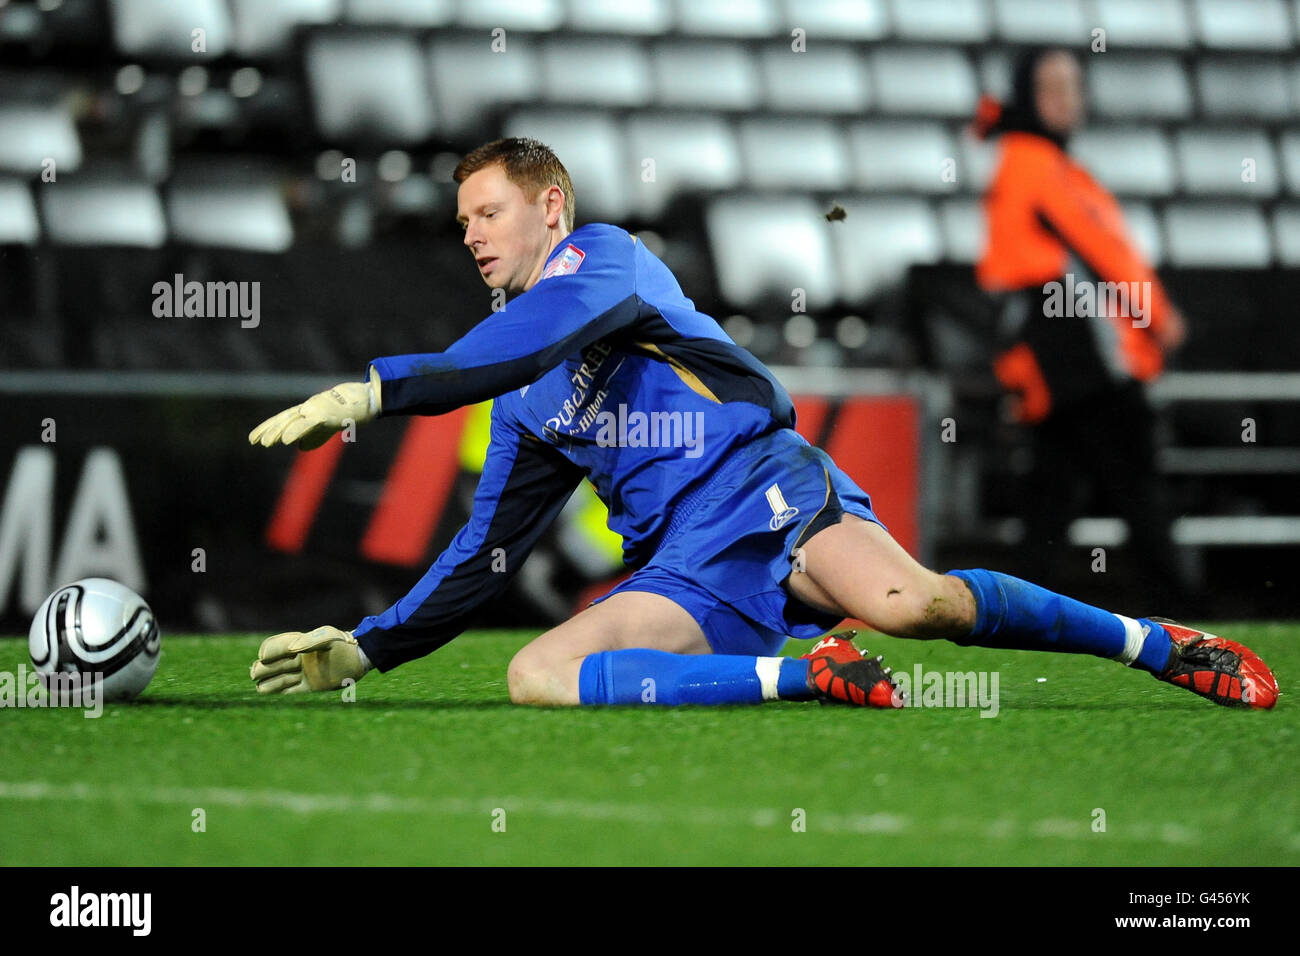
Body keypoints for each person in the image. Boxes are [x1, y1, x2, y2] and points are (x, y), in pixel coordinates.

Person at [247, 137, 1275, 710]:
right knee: (533, 674)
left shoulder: (606, 262)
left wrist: (379, 389)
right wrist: (369, 648)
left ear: (550, 207)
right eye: (461, 219)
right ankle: (801, 672)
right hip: (683, 564)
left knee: (916, 608)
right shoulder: (515, 394)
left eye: (488, 211)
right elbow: (485, 552)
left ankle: (1153, 641)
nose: (469, 234)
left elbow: (529, 339)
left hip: (763, 488)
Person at [974, 48, 1191, 598]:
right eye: (1053, 86)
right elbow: (1102, 253)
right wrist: (1157, 319)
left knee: (1053, 496)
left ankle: (1014, 609)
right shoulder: (1035, 163)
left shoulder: (1032, 160)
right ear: (1028, 96)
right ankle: (1185, 609)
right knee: (1134, 488)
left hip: (1058, 351)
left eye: (1074, 85)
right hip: (1078, 351)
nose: (1068, 98)